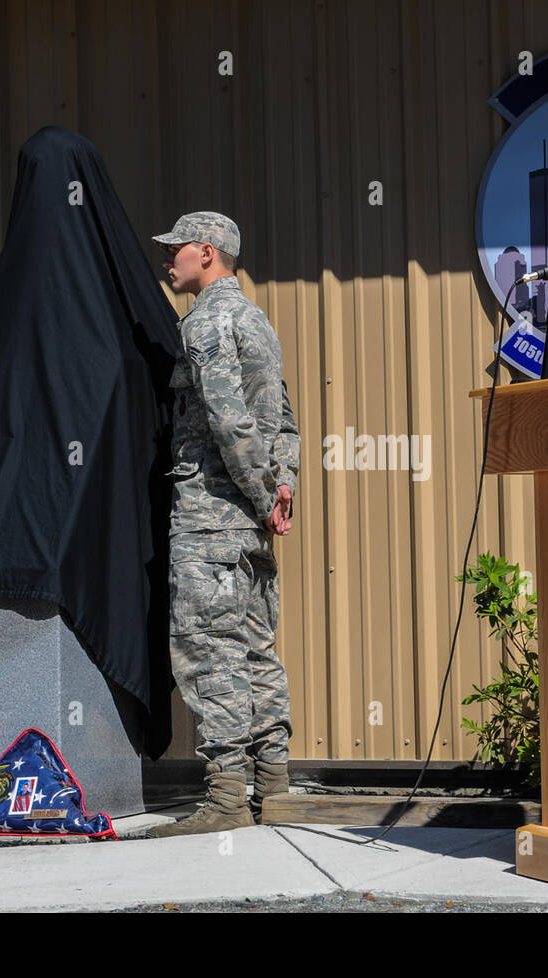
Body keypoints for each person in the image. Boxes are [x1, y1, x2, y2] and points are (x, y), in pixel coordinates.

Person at [152, 211, 300, 835]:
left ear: (207, 253)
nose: (168, 260)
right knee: (256, 649)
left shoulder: (207, 321)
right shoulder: (256, 319)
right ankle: (276, 788)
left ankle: (226, 800)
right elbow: (283, 416)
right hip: (251, 526)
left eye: (177, 249)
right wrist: (282, 484)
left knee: (210, 653)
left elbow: (227, 418)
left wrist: (260, 489)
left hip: (213, 516)